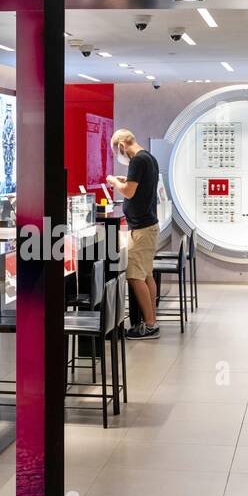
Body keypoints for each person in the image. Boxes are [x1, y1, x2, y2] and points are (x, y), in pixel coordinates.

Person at [106, 128, 161, 339]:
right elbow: (137, 186)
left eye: (117, 151)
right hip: (145, 226)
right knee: (146, 275)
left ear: (121, 145)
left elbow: (129, 191)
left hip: (142, 229)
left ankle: (149, 324)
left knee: (134, 276)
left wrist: (113, 181)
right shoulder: (149, 158)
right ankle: (151, 320)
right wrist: (124, 180)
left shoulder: (137, 161)